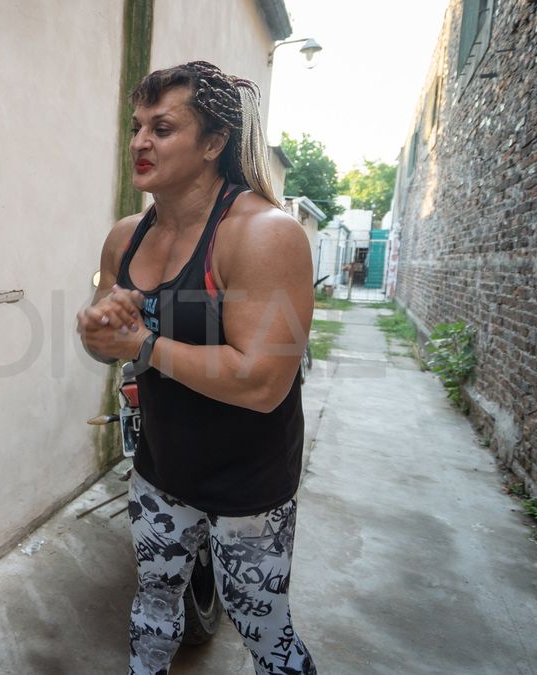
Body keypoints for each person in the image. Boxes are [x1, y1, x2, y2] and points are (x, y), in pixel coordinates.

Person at [76, 62, 316, 675]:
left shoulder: (264, 234)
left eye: (163, 127)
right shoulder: (125, 236)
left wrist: (142, 345)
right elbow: (112, 347)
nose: (140, 142)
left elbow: (263, 383)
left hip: (249, 486)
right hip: (161, 467)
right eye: (136, 127)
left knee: (262, 627)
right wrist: (98, 334)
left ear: (213, 144)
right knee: (155, 599)